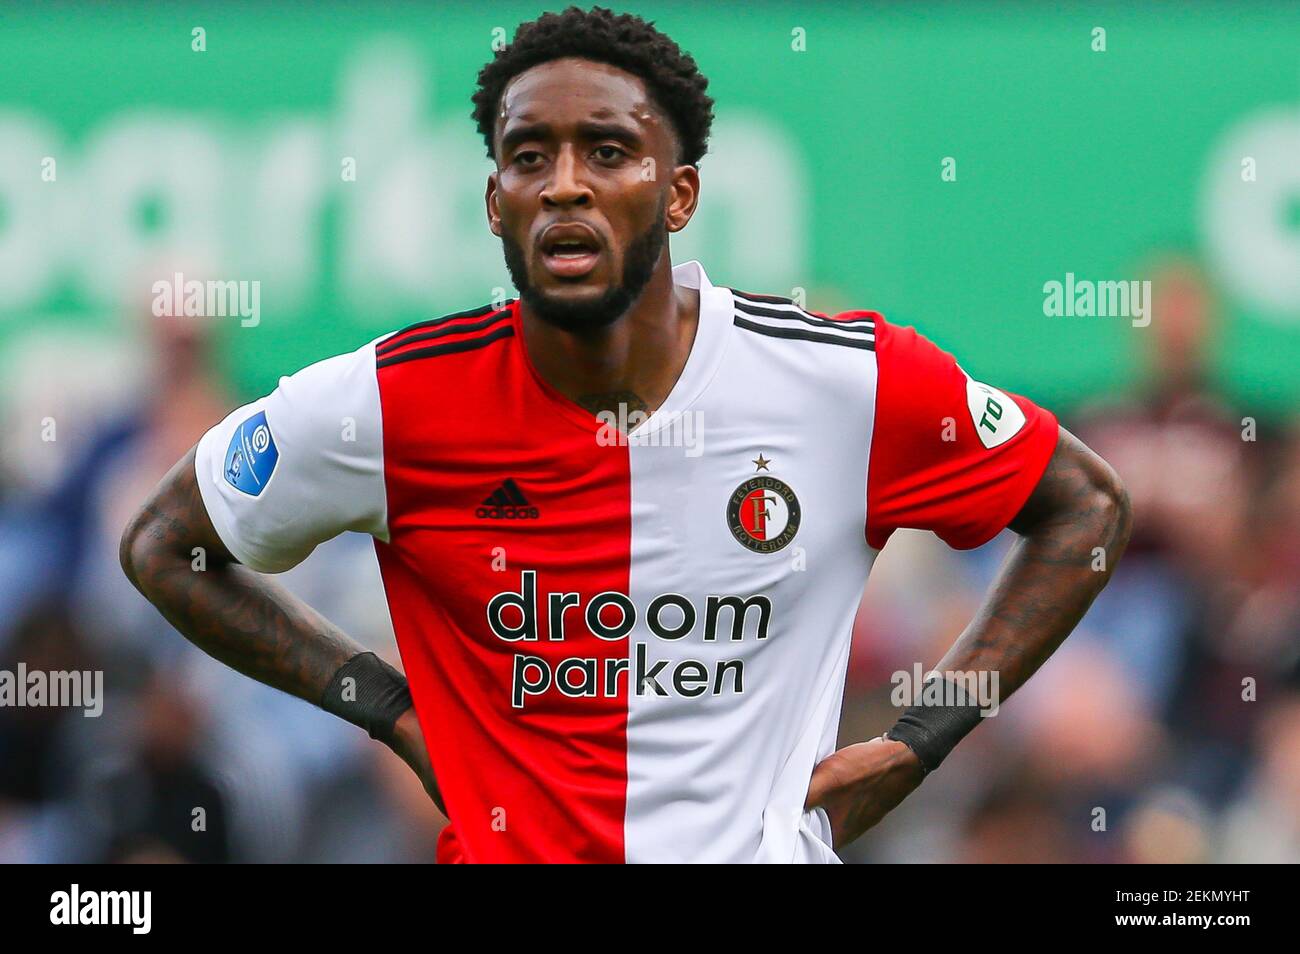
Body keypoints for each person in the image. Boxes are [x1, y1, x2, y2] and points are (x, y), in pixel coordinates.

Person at [121, 5, 1131, 863]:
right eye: (529, 157)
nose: (565, 183)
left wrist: (923, 738)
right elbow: (164, 545)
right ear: (494, 203)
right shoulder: (386, 403)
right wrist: (386, 708)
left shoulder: (842, 384)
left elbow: (1083, 505)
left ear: (677, 192)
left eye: (607, 151)